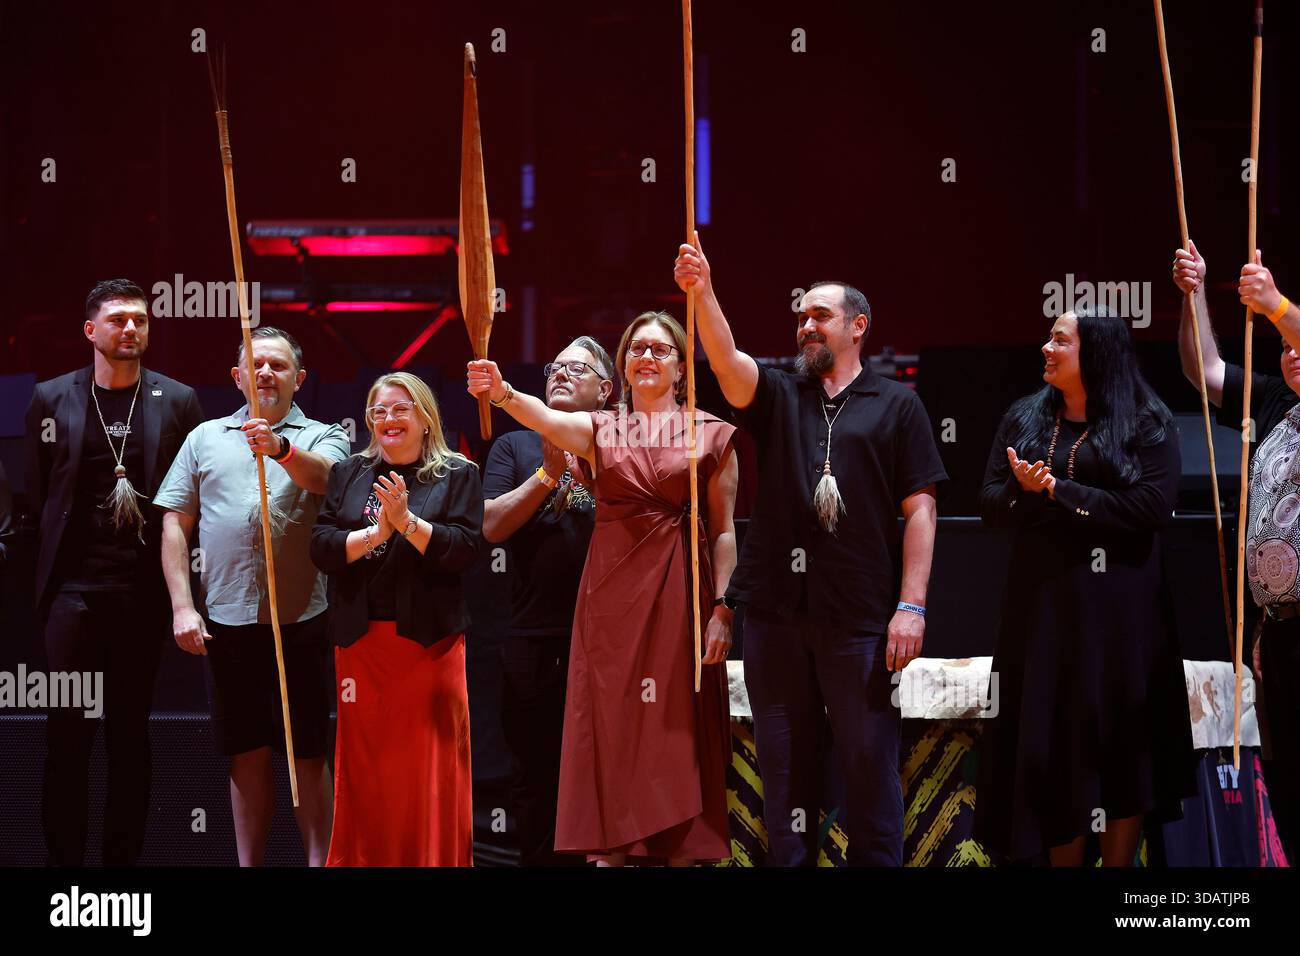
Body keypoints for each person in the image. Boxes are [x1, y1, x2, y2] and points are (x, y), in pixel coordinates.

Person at [673, 238, 945, 866]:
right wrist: (704, 291)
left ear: (858, 327)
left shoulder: (898, 405)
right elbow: (724, 361)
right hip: (774, 616)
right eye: (801, 317)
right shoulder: (779, 394)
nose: (807, 325)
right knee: (784, 775)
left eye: (820, 315)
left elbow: (921, 513)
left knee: (868, 766)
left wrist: (912, 606)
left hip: (859, 618)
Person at [468, 311, 738, 866]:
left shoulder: (711, 434)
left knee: (674, 731)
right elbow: (541, 416)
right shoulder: (600, 429)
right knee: (614, 734)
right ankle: (614, 849)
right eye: (636, 348)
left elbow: (726, 531)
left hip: (681, 599)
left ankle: (681, 847)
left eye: (660, 350)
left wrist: (723, 608)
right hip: (609, 605)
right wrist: (502, 392)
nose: (646, 357)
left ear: (682, 369)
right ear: (623, 363)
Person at [976, 307, 1196, 865]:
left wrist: (1059, 496)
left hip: (1125, 622)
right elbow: (990, 507)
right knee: (1056, 750)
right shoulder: (1025, 417)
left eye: (1060, 340)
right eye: (1049, 337)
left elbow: (1151, 507)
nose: (1046, 348)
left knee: (1123, 749)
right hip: (1044, 617)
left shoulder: (1147, 420)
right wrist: (1025, 494)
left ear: (1095, 352)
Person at [153, 326, 351, 866]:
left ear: (299, 378)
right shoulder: (205, 437)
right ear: (237, 377)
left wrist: (281, 448)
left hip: (302, 618)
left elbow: (329, 480)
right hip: (227, 620)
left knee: (308, 751)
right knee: (246, 752)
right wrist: (182, 606)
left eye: (279, 365)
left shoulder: (323, 434)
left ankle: (319, 863)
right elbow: (175, 522)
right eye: (256, 364)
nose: (267, 372)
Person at [24, 279, 203, 865]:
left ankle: (121, 874)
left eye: (141, 320)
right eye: (119, 319)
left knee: (130, 736)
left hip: (141, 594)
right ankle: (64, 874)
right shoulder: (52, 398)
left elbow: (189, 499)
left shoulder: (176, 401)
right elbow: (38, 496)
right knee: (68, 734)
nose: (131, 329)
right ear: (90, 330)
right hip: (72, 596)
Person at [310, 371, 482, 866]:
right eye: (379, 411)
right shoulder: (349, 473)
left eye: (401, 409)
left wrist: (406, 524)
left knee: (426, 771)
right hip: (361, 645)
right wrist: (376, 534)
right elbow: (322, 546)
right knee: (367, 771)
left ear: (426, 419)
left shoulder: (457, 473)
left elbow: (464, 550)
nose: (389, 419)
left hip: (428, 647)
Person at [1174, 241, 1300, 861]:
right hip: (1279, 634)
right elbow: (1206, 371)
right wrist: (1194, 294)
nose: (1291, 352)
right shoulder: (1277, 400)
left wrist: (1275, 303)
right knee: (1290, 784)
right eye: (1287, 346)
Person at [482, 336, 615, 866]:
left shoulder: (622, 443)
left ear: (605, 390)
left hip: (608, 638)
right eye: (554, 367)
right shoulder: (513, 446)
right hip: (533, 635)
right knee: (534, 775)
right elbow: (490, 526)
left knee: (603, 769)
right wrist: (547, 475)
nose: (558, 374)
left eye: (575, 368)